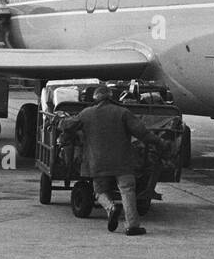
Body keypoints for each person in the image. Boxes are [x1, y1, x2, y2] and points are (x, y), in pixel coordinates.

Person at [61, 83, 161, 236]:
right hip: (123, 162)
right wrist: (159, 142)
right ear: (111, 97)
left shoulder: (86, 113)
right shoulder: (123, 113)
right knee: (127, 190)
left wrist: (59, 121)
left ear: (95, 98)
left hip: (97, 162)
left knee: (100, 191)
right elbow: (142, 133)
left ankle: (111, 208)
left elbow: (68, 126)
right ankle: (132, 226)